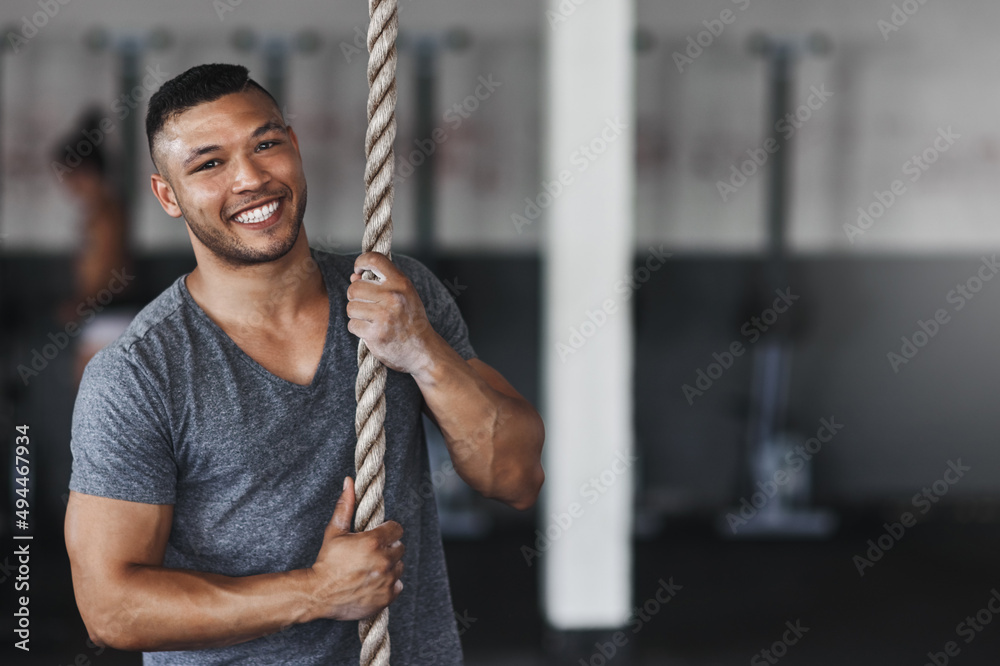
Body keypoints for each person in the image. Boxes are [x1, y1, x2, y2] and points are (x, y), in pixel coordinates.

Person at [63, 63, 545, 665]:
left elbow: (516, 478)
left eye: (265, 144)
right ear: (168, 195)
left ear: (293, 146)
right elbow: (111, 608)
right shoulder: (139, 374)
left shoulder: (398, 294)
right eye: (209, 163)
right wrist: (316, 593)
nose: (251, 178)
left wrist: (421, 348)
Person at [51, 108, 139, 387]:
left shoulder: (106, 215)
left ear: (84, 172)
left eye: (67, 174)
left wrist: (82, 304)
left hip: (111, 318)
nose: (63, 183)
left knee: (95, 405)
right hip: (104, 317)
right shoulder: (98, 213)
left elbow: (110, 270)